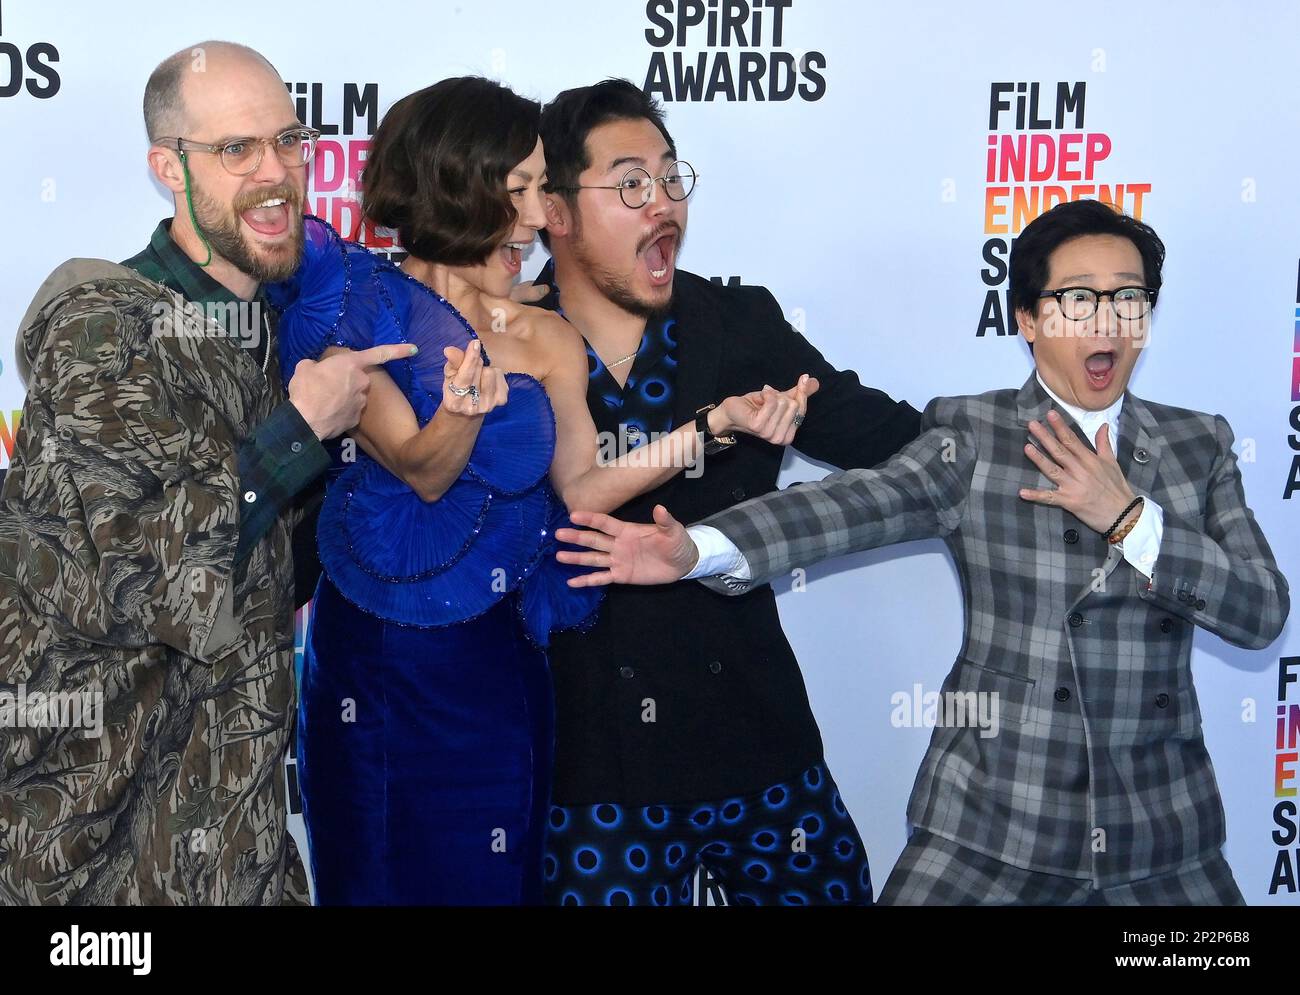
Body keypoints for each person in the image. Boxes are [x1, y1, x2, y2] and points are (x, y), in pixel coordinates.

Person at [556, 199, 1290, 905]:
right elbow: (844, 507)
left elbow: (1260, 613)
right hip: (990, 828)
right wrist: (699, 550)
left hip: (1160, 842)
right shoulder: (976, 434)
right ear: (1028, 319)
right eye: (1078, 300)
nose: (1108, 321)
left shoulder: (1199, 444)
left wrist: (1130, 517)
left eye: (1129, 299)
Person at [269, 76, 813, 905]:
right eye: (519, 189)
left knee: (499, 875)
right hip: (383, 658)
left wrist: (715, 423)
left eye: (541, 189)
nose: (537, 215)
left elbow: (586, 487)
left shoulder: (546, 332)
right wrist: (461, 407)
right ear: (460, 182)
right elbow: (423, 471)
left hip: (500, 657)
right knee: (376, 871)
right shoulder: (358, 304)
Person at [0, 41, 405, 905]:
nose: (275, 173)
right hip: (102, 864)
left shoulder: (272, 338)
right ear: (166, 168)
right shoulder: (105, 331)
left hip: (240, 842)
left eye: (288, 142)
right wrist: (301, 430)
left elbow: (262, 586)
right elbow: (145, 575)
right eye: (235, 150)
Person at [528, 79, 923, 906]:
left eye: (672, 178)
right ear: (555, 212)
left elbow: (884, 436)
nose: (662, 204)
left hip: (753, 730)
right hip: (589, 760)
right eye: (630, 183)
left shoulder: (736, 323)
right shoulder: (507, 333)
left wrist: (1029, 431)